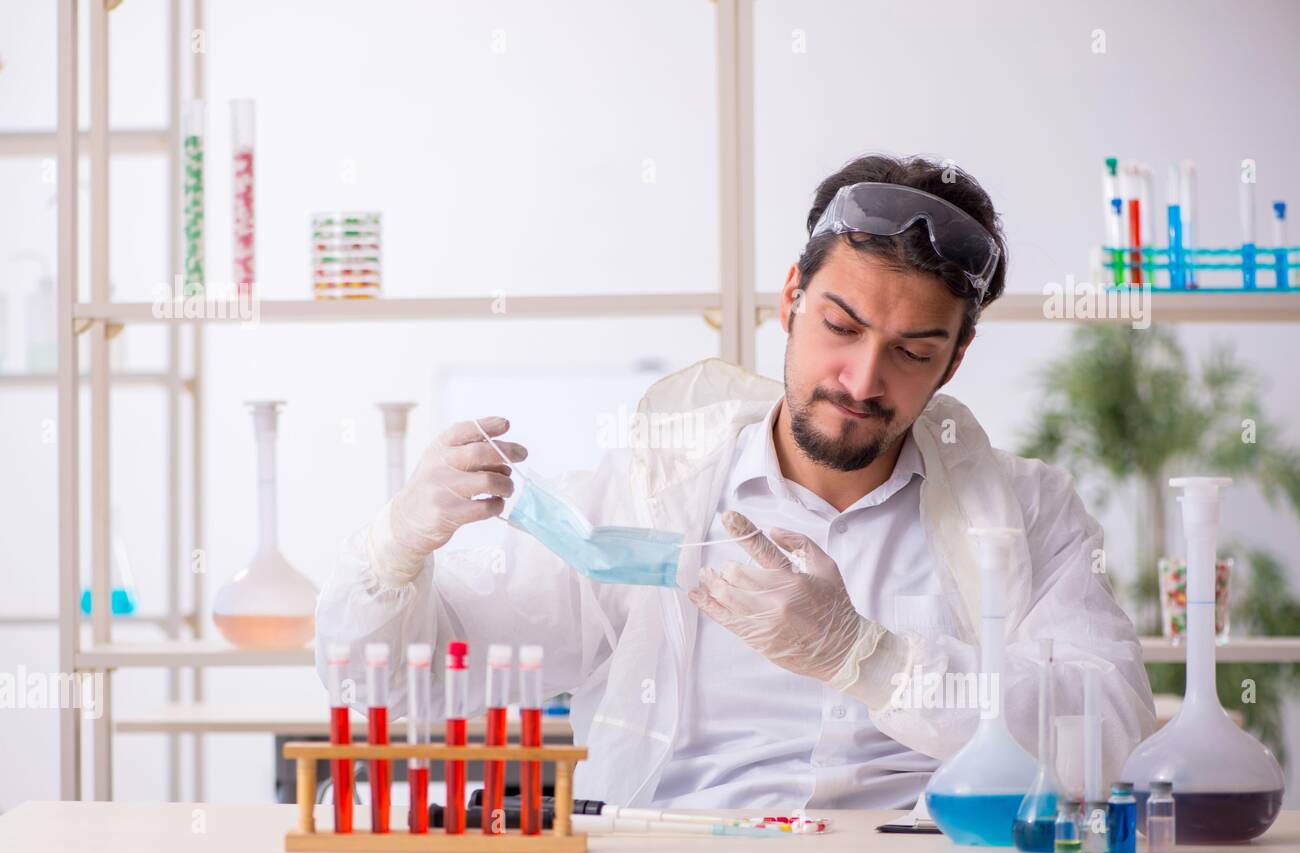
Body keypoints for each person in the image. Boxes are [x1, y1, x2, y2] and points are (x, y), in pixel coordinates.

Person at [316, 153, 1157, 810]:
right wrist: (396, 552)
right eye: (840, 325)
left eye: (912, 351)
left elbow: (1104, 730)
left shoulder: (1025, 511)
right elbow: (403, 693)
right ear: (790, 298)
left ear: (956, 359)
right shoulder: (647, 499)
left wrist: (869, 658)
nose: (862, 379)